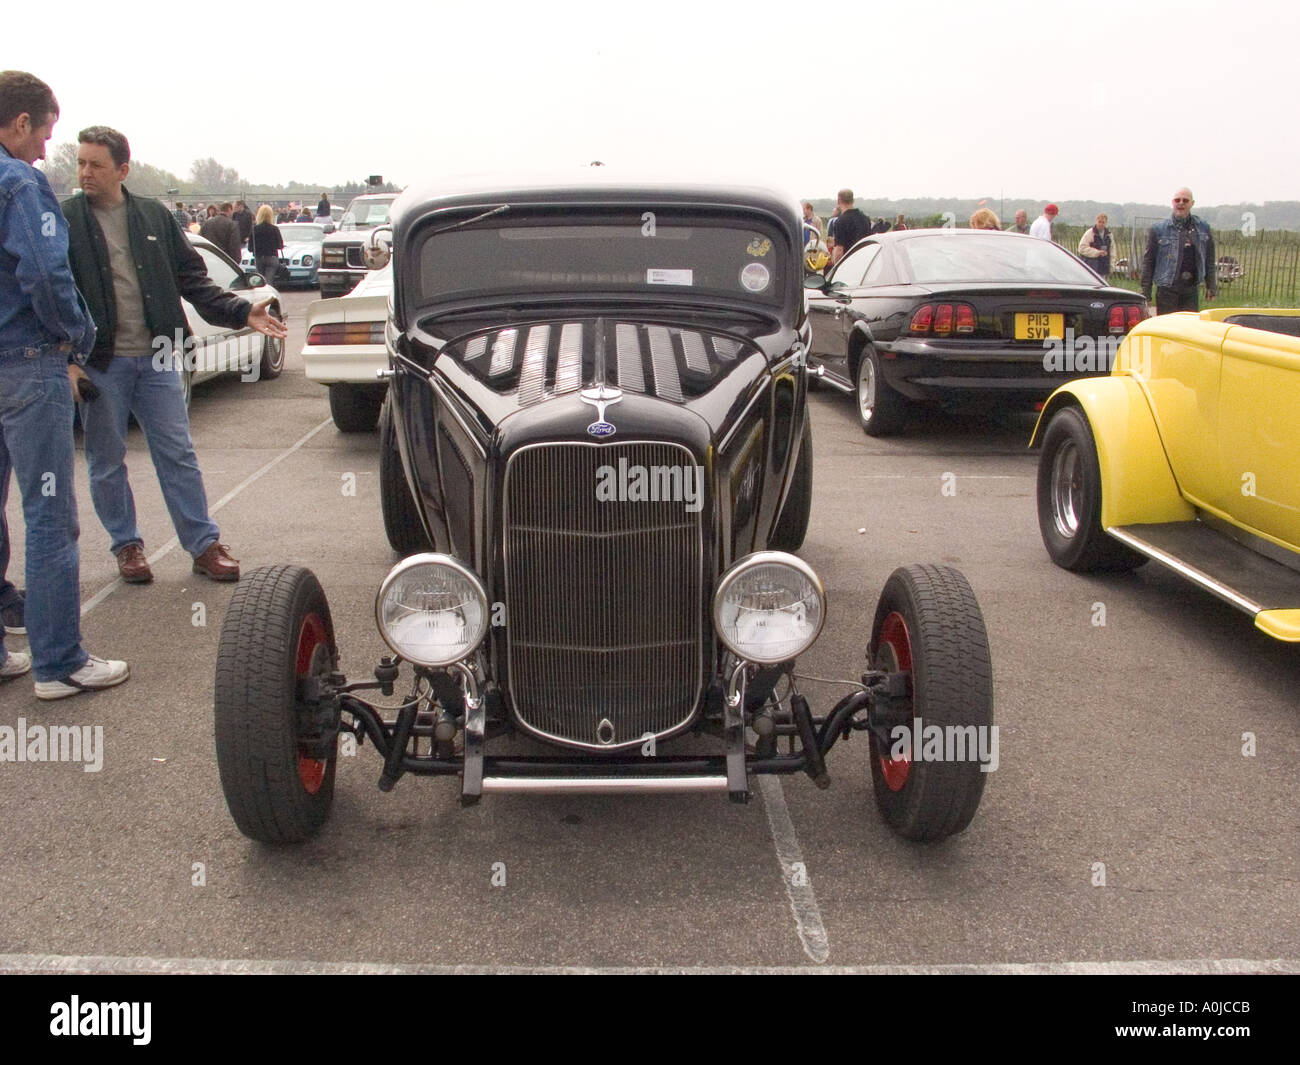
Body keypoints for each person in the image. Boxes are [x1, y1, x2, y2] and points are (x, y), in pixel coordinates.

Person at [62, 124, 288, 585]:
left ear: (122, 169)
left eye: (95, 165)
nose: (85, 172)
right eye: (81, 163)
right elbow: (53, 294)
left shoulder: (154, 218)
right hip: (100, 362)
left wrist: (242, 310)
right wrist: (64, 357)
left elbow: (193, 280)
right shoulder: (64, 218)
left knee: (177, 453)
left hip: (160, 355)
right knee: (106, 460)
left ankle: (203, 545)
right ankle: (127, 547)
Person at [0, 71, 130, 698]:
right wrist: (78, 336)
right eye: (44, 131)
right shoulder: (19, 184)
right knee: (49, 516)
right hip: (26, 364)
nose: (44, 147)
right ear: (20, 123)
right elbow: (47, 276)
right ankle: (58, 662)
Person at [1141, 187, 1217, 315]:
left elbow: (1209, 259)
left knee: (1188, 328)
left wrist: (1211, 287)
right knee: (1167, 329)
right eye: (1177, 200)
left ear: (1192, 203)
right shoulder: (1159, 229)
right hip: (1166, 289)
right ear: (1173, 203)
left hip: (1191, 289)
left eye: (1185, 200)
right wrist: (1146, 293)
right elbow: (1148, 262)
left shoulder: (1203, 227)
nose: (1181, 203)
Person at [828, 188, 870, 265]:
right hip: (864, 263)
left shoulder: (840, 221)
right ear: (853, 201)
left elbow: (839, 251)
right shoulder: (865, 218)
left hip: (849, 265)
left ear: (838, 201)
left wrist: (836, 268)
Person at [250, 203, 283, 283]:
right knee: (269, 281)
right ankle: (268, 293)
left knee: (260, 281)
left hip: (259, 257)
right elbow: (280, 245)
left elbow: (250, 248)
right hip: (272, 257)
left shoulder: (254, 229)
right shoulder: (274, 229)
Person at [1078, 213, 1115, 277]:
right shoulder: (1090, 233)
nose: (1101, 224)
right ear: (1096, 221)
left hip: (1104, 268)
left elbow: (1112, 251)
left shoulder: (1109, 235)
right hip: (1091, 268)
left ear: (1106, 223)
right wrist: (1097, 253)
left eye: (1103, 222)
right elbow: (1082, 248)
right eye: (1099, 222)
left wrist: (1111, 266)